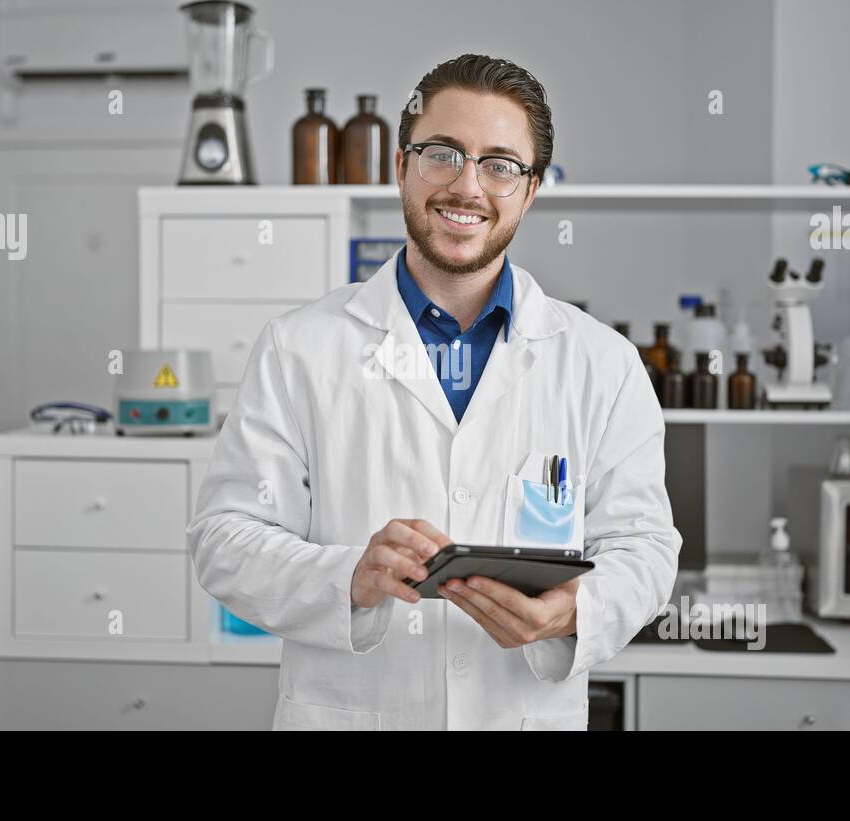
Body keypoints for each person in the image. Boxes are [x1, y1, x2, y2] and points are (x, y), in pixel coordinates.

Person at [187, 54, 680, 730]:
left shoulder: (603, 363)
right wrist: (348, 578)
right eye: (442, 153)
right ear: (399, 167)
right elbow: (222, 537)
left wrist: (571, 611)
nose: (466, 185)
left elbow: (646, 547)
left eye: (501, 164)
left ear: (531, 190)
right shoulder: (300, 347)